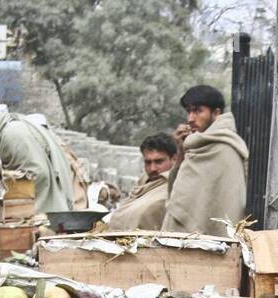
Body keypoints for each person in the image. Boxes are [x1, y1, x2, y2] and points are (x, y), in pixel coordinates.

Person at [0, 97, 73, 213]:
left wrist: (4, 193)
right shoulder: (6, 131)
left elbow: (38, 174)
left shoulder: (12, 133)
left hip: (45, 211)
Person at [161, 85, 247, 236]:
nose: (190, 119)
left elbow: (225, 204)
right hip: (181, 239)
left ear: (216, 113)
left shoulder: (225, 148)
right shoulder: (195, 146)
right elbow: (176, 192)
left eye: (198, 111)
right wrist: (181, 151)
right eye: (188, 111)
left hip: (206, 241)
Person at [105, 133, 177, 231]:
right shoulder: (142, 184)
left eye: (159, 162)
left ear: (174, 159)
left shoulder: (175, 187)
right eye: (148, 162)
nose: (152, 168)